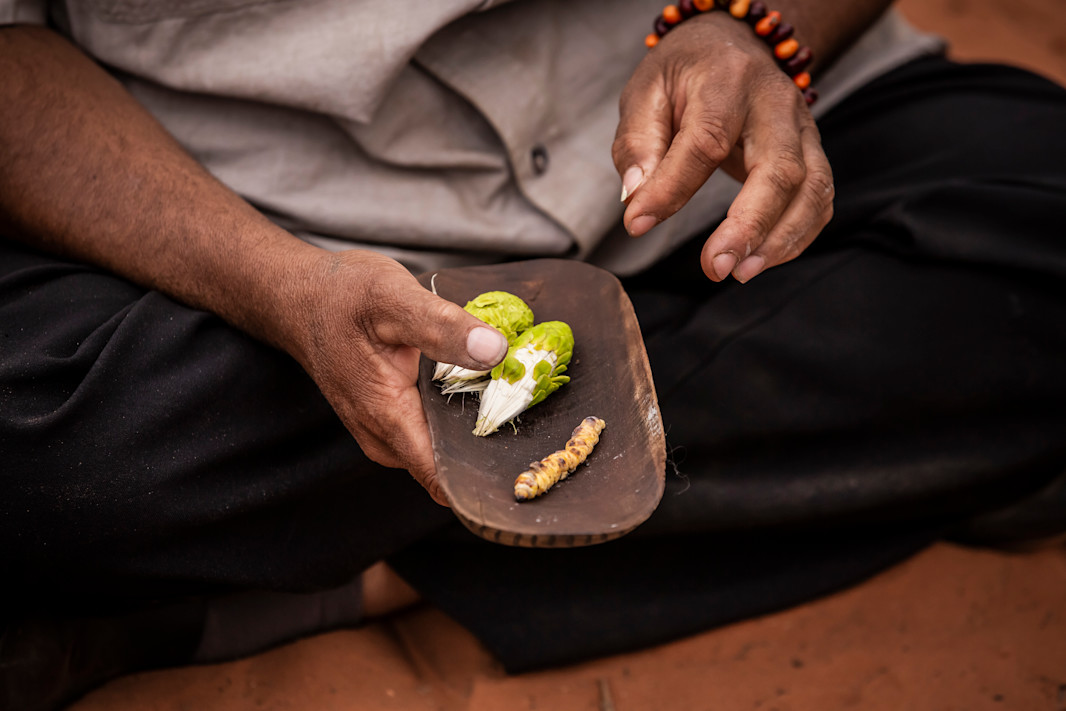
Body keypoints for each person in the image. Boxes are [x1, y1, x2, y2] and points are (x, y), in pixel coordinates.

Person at [2, 1, 1065, 709]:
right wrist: (283, 290)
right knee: (49, 448)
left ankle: (315, 577)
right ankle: (841, 444)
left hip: (710, 159)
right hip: (271, 232)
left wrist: (755, 26)